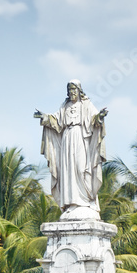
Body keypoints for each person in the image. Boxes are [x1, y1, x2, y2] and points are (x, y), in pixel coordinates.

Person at [34, 80, 108, 219]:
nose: (72, 92)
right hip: (67, 139)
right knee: (68, 171)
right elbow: (55, 120)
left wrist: (100, 117)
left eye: (74, 89)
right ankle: (71, 203)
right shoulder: (65, 106)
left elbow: (94, 119)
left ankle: (85, 202)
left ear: (79, 91)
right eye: (69, 90)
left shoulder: (86, 104)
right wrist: (44, 117)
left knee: (81, 168)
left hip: (81, 138)